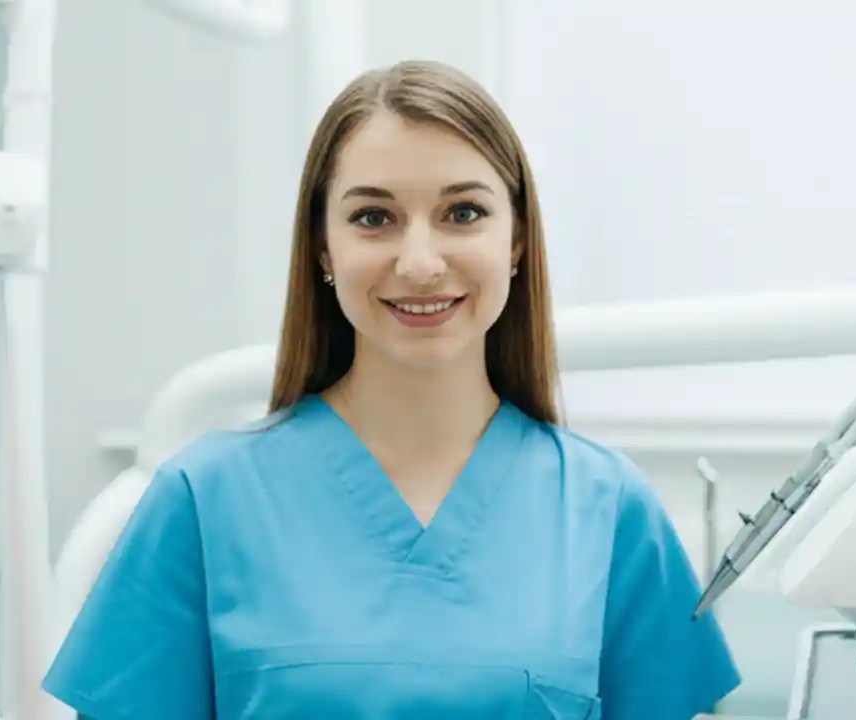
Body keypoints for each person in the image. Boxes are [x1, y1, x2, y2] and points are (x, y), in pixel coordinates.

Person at [42, 60, 741, 719]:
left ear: (517, 240)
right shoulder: (203, 501)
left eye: (462, 213)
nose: (420, 262)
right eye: (373, 217)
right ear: (324, 248)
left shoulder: (607, 509)